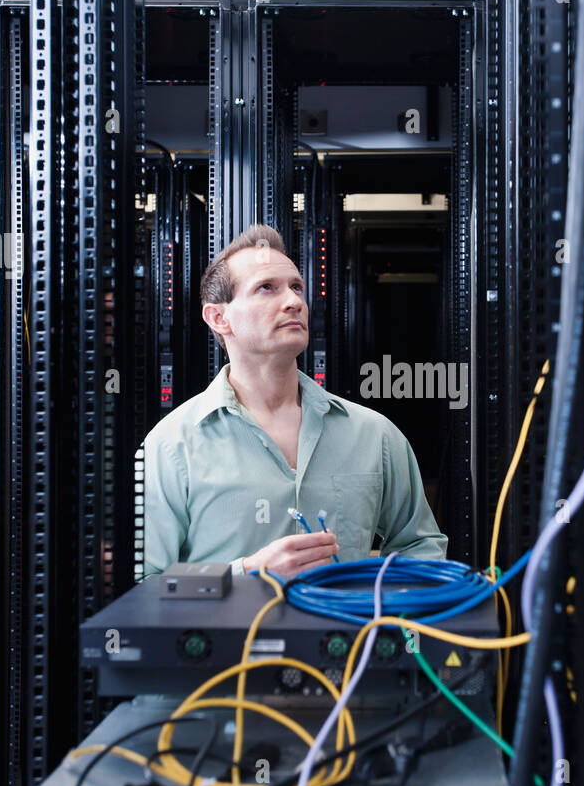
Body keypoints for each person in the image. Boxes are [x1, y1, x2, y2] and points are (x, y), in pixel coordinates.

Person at [143, 224, 447, 578]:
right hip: (232, 635)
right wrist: (249, 572)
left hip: (347, 633)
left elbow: (420, 547)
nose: (294, 301)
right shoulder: (171, 445)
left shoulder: (374, 434)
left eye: (296, 287)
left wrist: (381, 612)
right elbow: (147, 583)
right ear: (219, 318)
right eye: (266, 288)